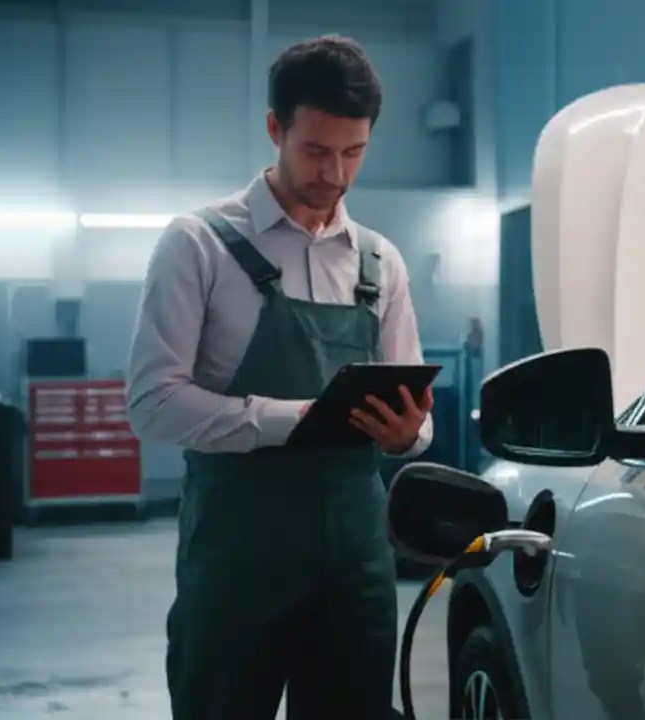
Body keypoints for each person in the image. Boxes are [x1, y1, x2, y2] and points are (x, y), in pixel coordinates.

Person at [125, 34, 432, 719]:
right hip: (239, 560)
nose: (335, 174)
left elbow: (417, 414)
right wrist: (291, 417)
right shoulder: (198, 244)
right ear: (275, 129)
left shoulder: (379, 263)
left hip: (356, 559)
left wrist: (408, 435)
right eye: (316, 151)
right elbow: (151, 403)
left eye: (353, 152)